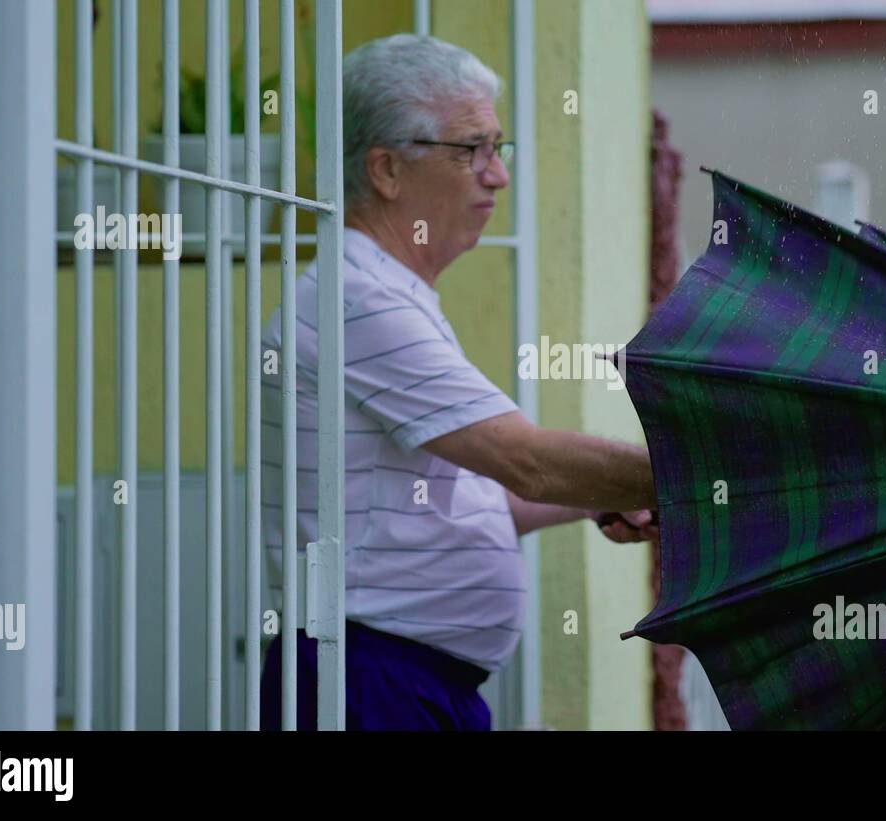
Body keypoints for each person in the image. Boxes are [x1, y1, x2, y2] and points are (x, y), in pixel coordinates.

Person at [260, 33, 657, 731]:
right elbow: (526, 460)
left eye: (498, 148)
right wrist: (704, 477)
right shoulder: (362, 298)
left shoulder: (384, 290)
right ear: (386, 169)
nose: (497, 174)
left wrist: (598, 497)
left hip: (393, 679)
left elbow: (461, 495)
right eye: (470, 149)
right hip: (370, 685)